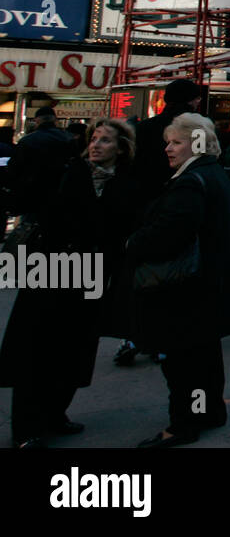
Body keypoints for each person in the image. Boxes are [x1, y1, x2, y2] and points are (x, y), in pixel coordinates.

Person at [0, 118, 135, 448]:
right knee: (37, 351)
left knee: (74, 350)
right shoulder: (65, 172)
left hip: (90, 276)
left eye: (105, 140)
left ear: (121, 148)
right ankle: (25, 428)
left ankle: (55, 414)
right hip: (50, 273)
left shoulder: (123, 183)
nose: (96, 145)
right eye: (94, 138)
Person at [127, 113, 230, 447]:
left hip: (188, 285)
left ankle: (184, 422)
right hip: (210, 280)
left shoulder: (192, 181)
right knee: (204, 356)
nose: (168, 149)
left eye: (176, 142)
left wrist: (133, 243)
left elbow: (171, 233)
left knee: (183, 361)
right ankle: (208, 410)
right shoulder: (213, 174)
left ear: (197, 144)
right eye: (168, 142)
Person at [133, 79, 204, 204]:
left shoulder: (143, 127)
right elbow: (202, 161)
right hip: (187, 193)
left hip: (147, 193)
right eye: (197, 98)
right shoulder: (200, 127)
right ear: (190, 99)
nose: (198, 101)